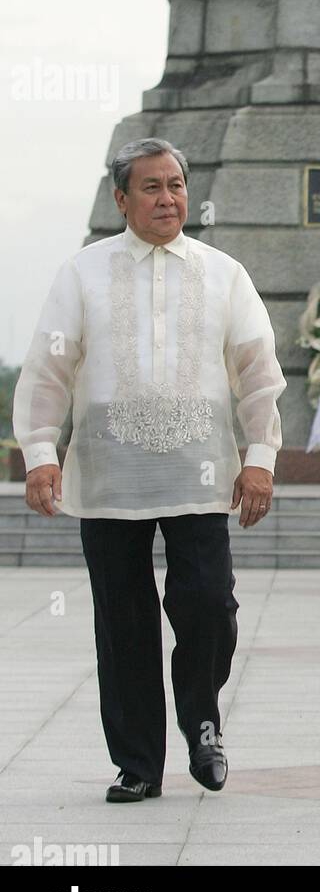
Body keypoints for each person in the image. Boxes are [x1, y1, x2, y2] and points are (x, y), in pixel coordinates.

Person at [13, 139, 286, 802]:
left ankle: (201, 722)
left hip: (200, 470)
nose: (168, 199)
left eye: (176, 186)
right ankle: (137, 763)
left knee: (210, 606)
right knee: (123, 621)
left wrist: (260, 458)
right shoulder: (83, 273)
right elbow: (50, 368)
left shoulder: (224, 274)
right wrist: (42, 455)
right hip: (109, 474)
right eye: (152, 187)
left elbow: (257, 372)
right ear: (121, 199)